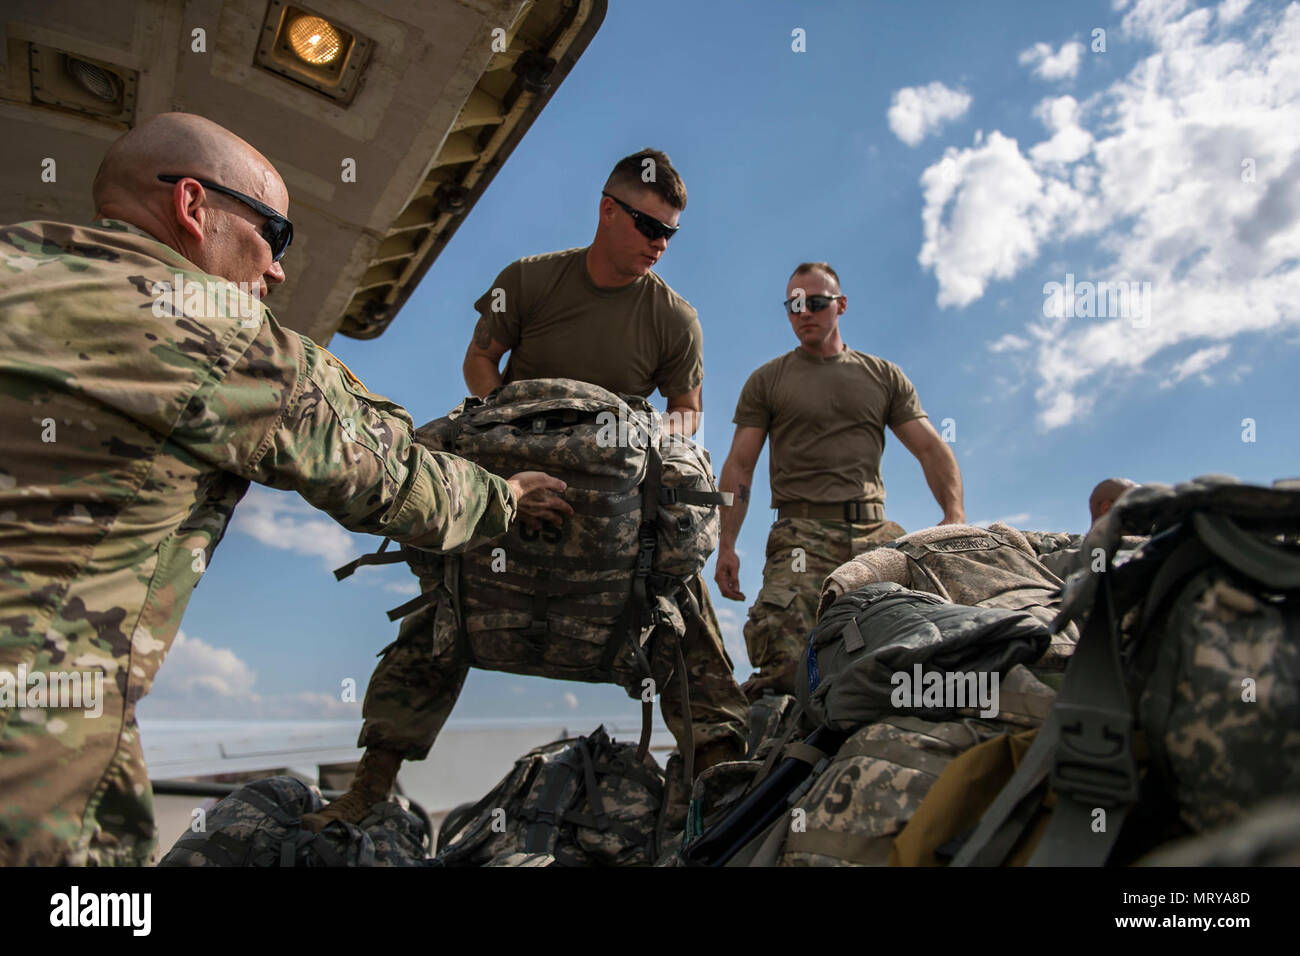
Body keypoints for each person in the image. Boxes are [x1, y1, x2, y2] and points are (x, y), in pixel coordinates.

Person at [0, 112, 565, 866]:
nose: (277, 271)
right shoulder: (224, 333)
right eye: (275, 234)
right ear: (192, 207)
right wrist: (509, 496)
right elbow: (396, 481)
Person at [307, 149, 750, 833]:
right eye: (647, 226)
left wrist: (648, 460)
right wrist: (512, 432)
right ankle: (368, 788)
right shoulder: (530, 280)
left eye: (670, 234)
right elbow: (480, 359)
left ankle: (722, 795)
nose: (659, 245)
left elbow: (686, 413)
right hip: (507, 482)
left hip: (615, 496)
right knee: (442, 609)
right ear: (608, 210)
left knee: (679, 611)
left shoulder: (673, 318)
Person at [715, 261, 965, 700]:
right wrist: (727, 544)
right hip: (800, 538)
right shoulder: (767, 381)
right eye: (793, 305)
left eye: (815, 302)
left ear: (841, 305)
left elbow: (930, 448)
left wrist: (954, 516)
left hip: (875, 535)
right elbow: (740, 466)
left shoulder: (883, 377)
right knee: (786, 668)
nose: (803, 312)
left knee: (907, 649)